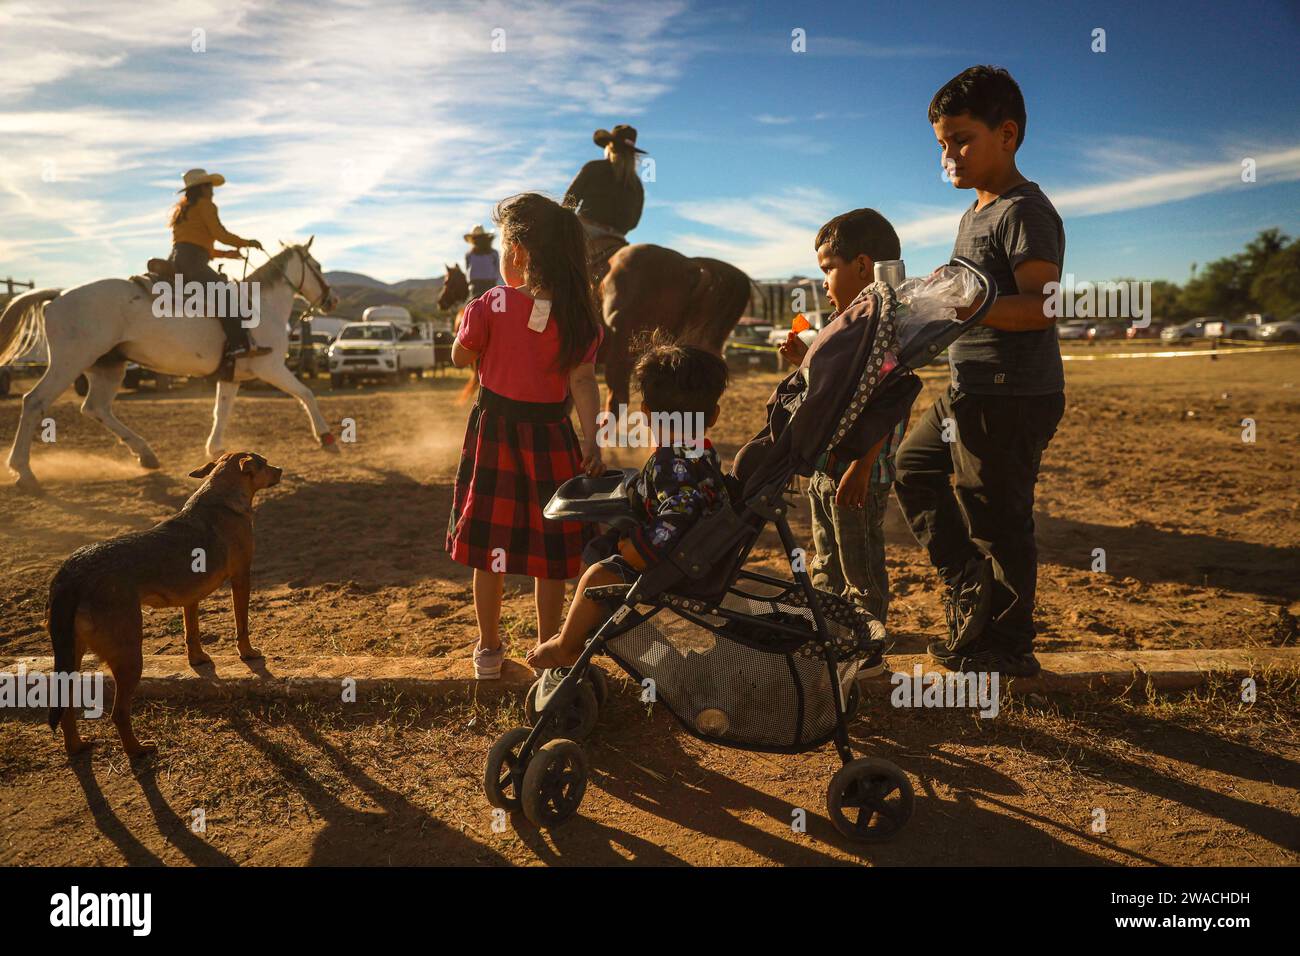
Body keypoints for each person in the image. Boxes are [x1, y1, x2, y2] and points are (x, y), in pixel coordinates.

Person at [893, 65, 1067, 677]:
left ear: (1008, 134)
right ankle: (973, 586)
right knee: (912, 468)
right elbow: (968, 299)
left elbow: (1043, 306)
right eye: (942, 143)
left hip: (1012, 394)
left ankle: (1006, 648)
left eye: (962, 139)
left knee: (996, 516)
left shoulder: (1024, 210)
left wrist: (969, 305)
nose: (949, 154)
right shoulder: (976, 214)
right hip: (968, 387)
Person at [446, 192, 606, 680]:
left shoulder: (489, 304)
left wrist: (473, 328)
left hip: (495, 432)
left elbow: (458, 358)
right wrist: (591, 441)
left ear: (517, 252)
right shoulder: (579, 314)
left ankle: (489, 653)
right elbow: (582, 383)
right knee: (551, 551)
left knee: (489, 546)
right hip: (553, 436)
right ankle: (546, 653)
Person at [526, 337, 729, 670]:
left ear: (646, 413)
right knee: (596, 555)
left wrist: (641, 549)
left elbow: (678, 512)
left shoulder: (671, 462)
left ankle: (565, 645)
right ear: (714, 415)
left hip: (671, 561)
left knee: (596, 576)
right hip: (692, 551)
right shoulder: (700, 451)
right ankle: (641, 650)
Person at [778, 209, 907, 625]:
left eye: (829, 268)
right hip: (827, 468)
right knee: (825, 557)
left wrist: (861, 465)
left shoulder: (886, 327)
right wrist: (804, 363)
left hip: (857, 473)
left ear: (863, 266)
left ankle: (867, 641)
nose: (824, 282)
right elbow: (836, 392)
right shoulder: (849, 325)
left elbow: (885, 401)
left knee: (859, 566)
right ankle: (828, 629)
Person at [168, 168, 270, 359]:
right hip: (193, 263)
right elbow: (220, 234)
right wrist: (247, 242)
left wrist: (227, 254)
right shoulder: (206, 205)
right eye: (209, 186)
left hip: (177, 260)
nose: (212, 191)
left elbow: (192, 244)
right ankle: (238, 344)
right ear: (202, 188)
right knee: (226, 294)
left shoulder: (183, 209)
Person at [563, 124, 646, 283]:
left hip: (586, 231)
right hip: (618, 239)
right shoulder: (636, 184)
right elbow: (634, 222)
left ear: (609, 147)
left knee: (550, 260)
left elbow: (568, 202)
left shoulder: (593, 168)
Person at [463, 224, 503, 299]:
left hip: (487, 287)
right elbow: (498, 270)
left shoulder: (493, 254)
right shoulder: (493, 253)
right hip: (480, 288)